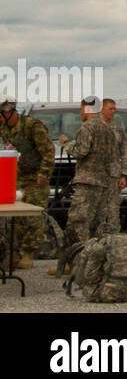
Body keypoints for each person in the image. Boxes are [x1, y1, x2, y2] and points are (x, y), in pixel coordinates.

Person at [49, 96, 116, 275]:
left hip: (87, 182)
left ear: (86, 109)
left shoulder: (88, 127)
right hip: (103, 183)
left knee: (76, 225)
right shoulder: (108, 130)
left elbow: (81, 151)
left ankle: (71, 264)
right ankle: (93, 266)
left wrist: (65, 143)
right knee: (96, 227)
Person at [0, 99, 54, 270]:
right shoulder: (4, 129)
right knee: (14, 217)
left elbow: (48, 151)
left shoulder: (31, 126)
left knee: (33, 216)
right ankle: (12, 253)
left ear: (9, 113)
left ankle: (29, 253)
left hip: (35, 178)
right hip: (16, 178)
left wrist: (44, 174)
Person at [98, 99, 127, 235]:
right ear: (102, 109)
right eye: (110, 109)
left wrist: (124, 174)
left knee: (113, 207)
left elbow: (124, 152)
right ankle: (97, 234)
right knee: (98, 207)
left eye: (114, 109)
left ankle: (113, 235)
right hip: (97, 173)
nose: (113, 112)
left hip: (114, 174)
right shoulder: (94, 127)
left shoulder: (118, 130)